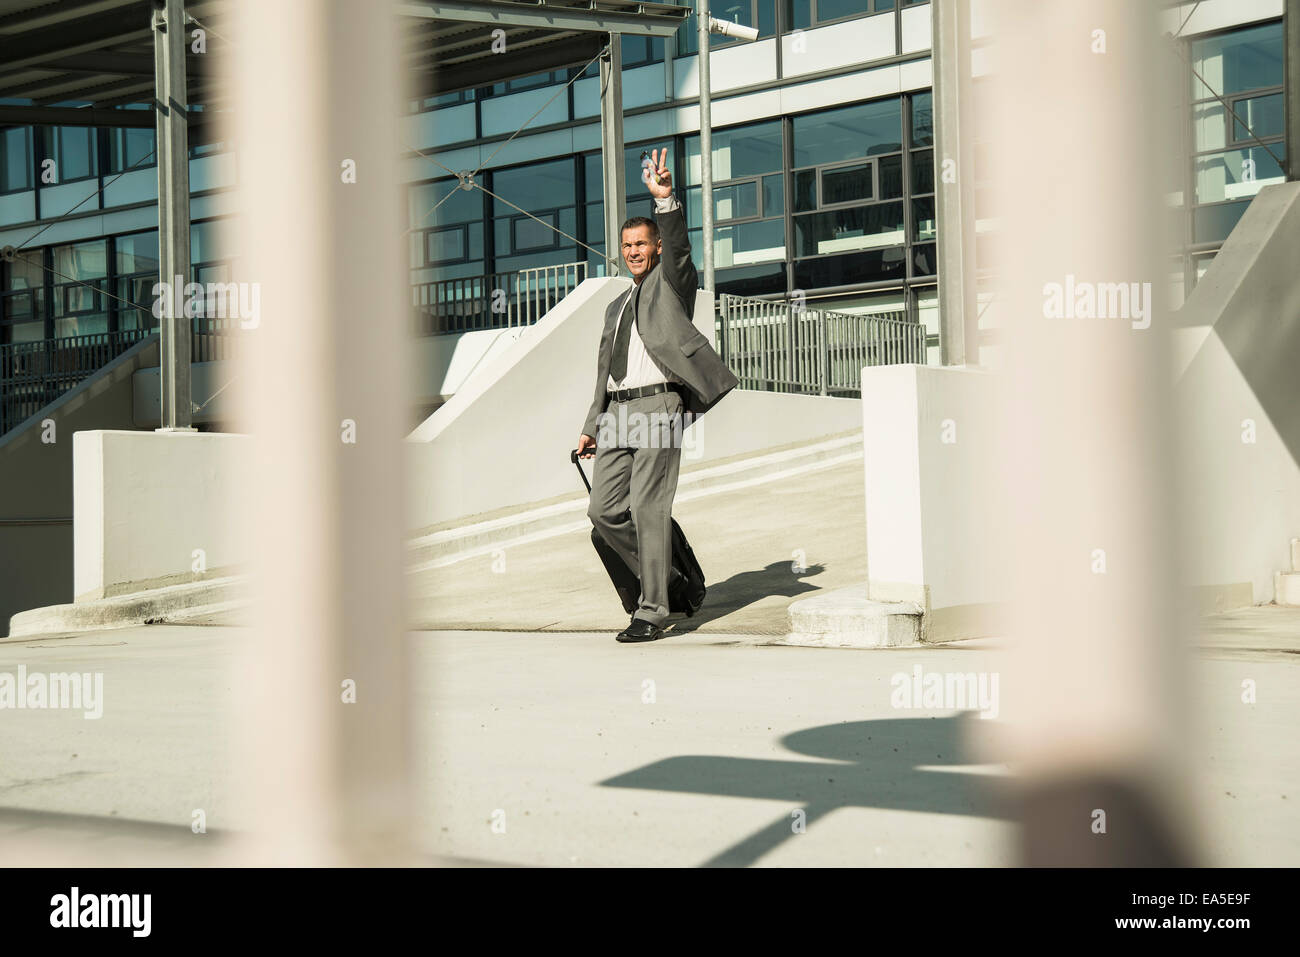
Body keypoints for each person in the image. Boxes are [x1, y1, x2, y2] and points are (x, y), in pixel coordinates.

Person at [576, 148, 738, 643]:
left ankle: (652, 610)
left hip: (659, 406)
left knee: (649, 507)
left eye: (642, 244)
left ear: (657, 247)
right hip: (618, 415)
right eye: (627, 245)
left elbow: (683, 252)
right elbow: (604, 373)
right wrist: (590, 425)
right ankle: (666, 577)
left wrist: (666, 201)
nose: (633, 252)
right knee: (602, 512)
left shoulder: (671, 285)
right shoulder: (614, 306)